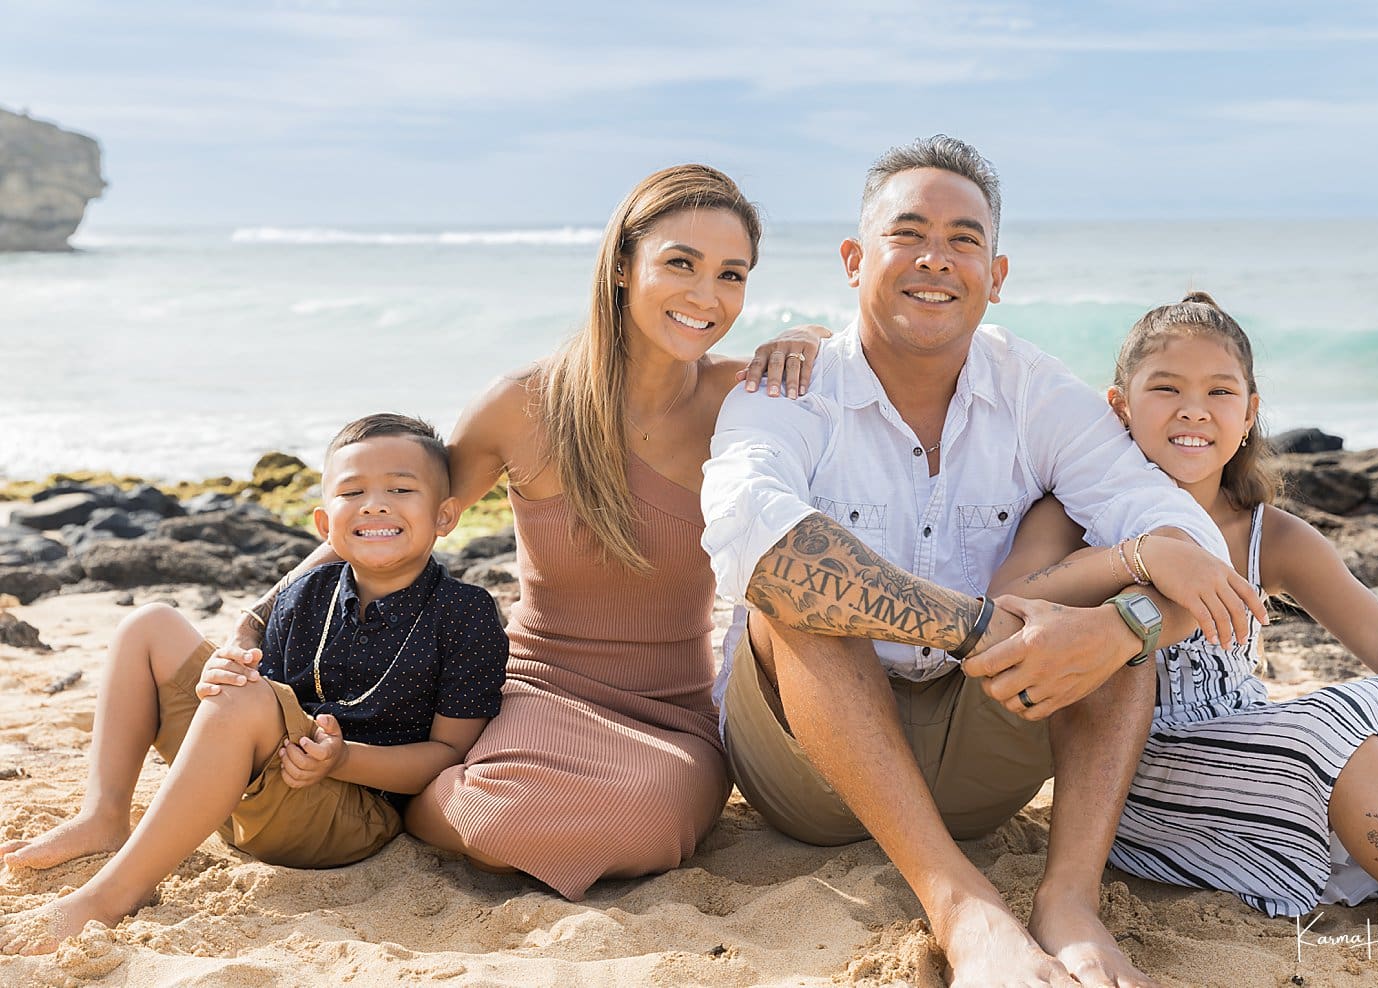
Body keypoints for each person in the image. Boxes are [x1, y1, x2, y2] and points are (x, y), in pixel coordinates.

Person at [701, 135, 1266, 988]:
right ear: (855, 260)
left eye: (966, 239)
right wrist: (973, 625)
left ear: (996, 275)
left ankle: (1069, 901)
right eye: (909, 233)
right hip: (811, 772)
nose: (937, 258)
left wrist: (1125, 628)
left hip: (985, 739)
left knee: (1109, 618)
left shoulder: (1034, 390)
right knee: (801, 585)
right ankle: (963, 907)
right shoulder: (789, 388)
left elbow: (1172, 528)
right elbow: (750, 536)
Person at [205, 164, 827, 901]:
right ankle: (408, 791)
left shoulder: (742, 400)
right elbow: (388, 526)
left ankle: (406, 788)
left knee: (653, 823)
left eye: (733, 275)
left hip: (673, 714)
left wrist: (812, 334)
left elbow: (873, 387)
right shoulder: (522, 404)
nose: (706, 295)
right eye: (680, 264)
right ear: (624, 266)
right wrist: (251, 620)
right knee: (485, 809)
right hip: (532, 691)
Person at [993, 292, 1378, 951]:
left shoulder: (1266, 535)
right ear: (1119, 407)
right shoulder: (1077, 515)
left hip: (1265, 746)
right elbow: (1006, 601)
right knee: (1330, 730)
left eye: (1220, 391)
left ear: (1248, 413)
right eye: (1166, 388)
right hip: (1138, 781)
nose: (1194, 409)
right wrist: (1134, 558)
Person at [1, 414, 507, 955]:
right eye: (352, 491)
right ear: (323, 523)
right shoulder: (303, 595)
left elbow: (449, 753)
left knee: (245, 697)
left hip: (347, 812)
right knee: (149, 625)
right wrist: (222, 675)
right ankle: (102, 816)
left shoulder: (466, 615)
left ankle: (112, 894)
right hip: (250, 788)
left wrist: (341, 761)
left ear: (446, 515)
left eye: (401, 489)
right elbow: (257, 701)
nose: (375, 504)